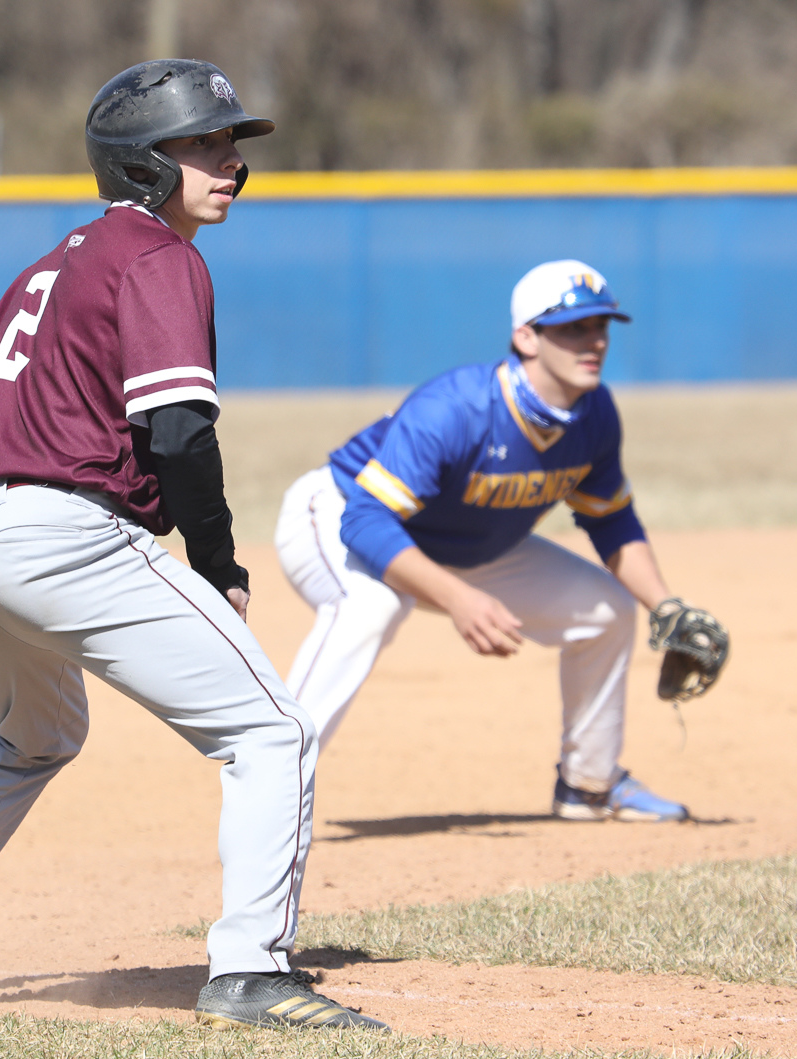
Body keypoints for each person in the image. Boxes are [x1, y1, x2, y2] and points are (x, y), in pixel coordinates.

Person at [0, 59, 387, 1032]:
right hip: (63, 540)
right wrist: (219, 572)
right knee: (272, 731)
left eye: (231, 146)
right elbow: (177, 435)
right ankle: (250, 972)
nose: (228, 164)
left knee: (35, 736)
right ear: (140, 165)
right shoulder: (160, 259)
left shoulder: (57, 262)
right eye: (202, 144)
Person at [274, 260, 710, 822]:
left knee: (607, 611)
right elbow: (364, 521)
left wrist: (667, 607)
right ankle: (274, 787)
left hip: (459, 544)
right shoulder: (457, 408)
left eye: (600, 326)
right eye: (573, 327)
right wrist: (457, 598)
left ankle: (589, 786)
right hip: (336, 515)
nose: (594, 341)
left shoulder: (594, 414)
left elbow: (612, 522)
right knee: (372, 607)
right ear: (526, 336)